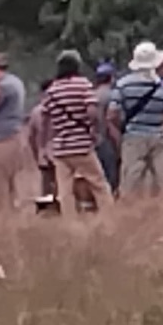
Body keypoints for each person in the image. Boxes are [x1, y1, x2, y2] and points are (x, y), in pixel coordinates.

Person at [41, 50, 114, 214]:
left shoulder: (52, 90)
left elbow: (45, 117)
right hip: (81, 145)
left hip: (60, 147)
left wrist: (46, 144)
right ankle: (109, 216)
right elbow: (92, 112)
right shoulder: (83, 85)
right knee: (99, 184)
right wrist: (93, 130)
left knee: (65, 189)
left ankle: (70, 221)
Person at [107, 41, 163, 196]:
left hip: (133, 137)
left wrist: (119, 138)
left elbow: (112, 115)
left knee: (130, 184)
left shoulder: (122, 85)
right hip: (159, 137)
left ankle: (130, 214)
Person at [0, 53, 26, 212]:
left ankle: (3, 222)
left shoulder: (4, 86)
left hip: (1, 140)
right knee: (10, 185)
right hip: (12, 137)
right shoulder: (15, 82)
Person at [92, 60, 120, 195]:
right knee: (111, 173)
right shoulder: (112, 95)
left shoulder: (92, 94)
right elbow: (113, 119)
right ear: (111, 77)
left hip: (93, 139)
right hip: (108, 138)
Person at [27, 79, 57, 200]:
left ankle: (47, 211)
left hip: (43, 155)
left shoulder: (36, 111)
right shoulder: (60, 108)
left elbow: (31, 137)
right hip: (61, 154)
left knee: (46, 188)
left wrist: (37, 154)